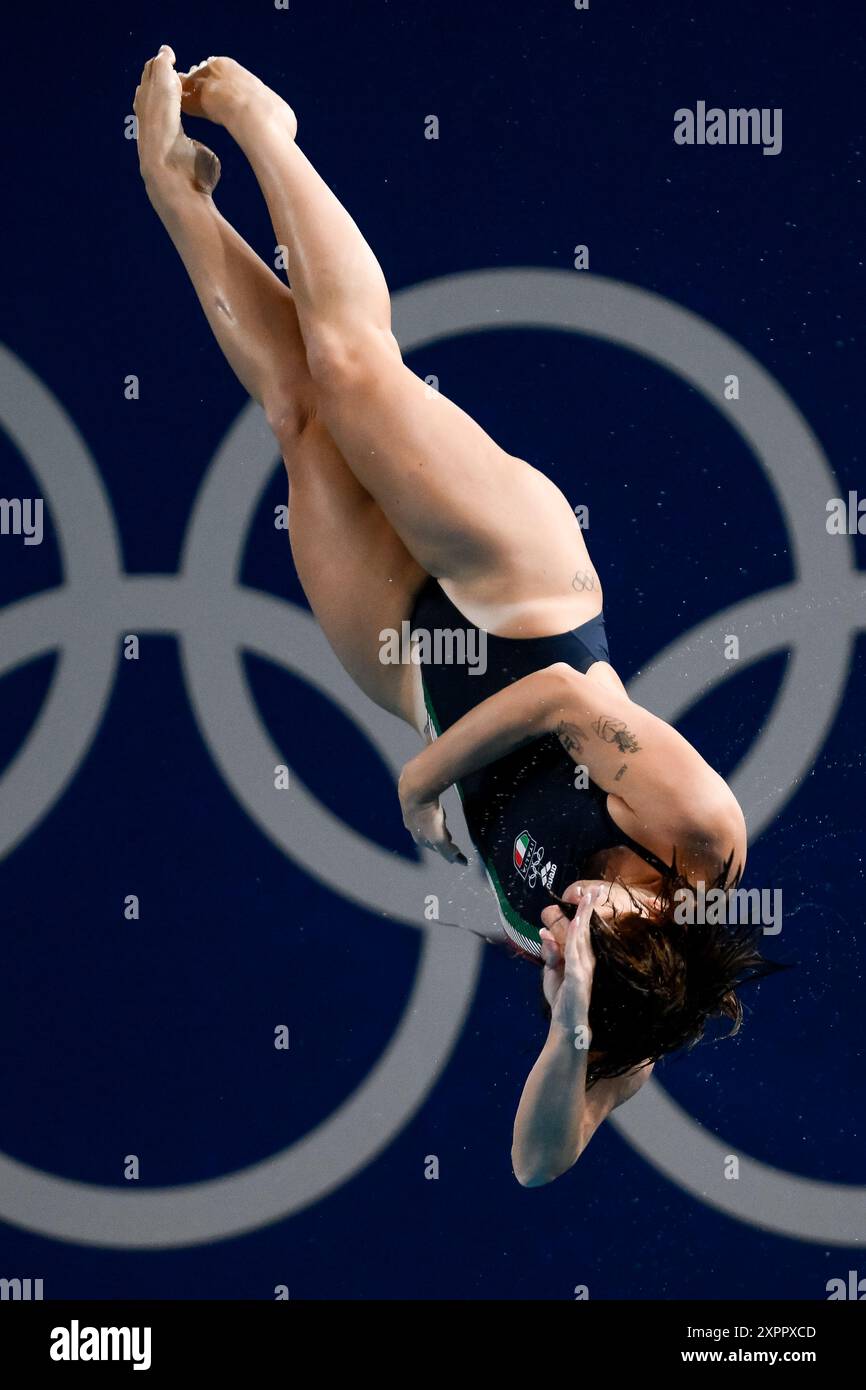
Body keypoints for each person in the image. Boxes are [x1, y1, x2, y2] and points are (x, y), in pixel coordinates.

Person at [135, 48, 778, 1186]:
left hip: (417, 672)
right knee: (348, 368)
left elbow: (538, 1164)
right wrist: (420, 783)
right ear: (662, 929)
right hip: (520, 598)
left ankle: (176, 196)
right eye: (602, 915)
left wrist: (572, 1026)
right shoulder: (698, 837)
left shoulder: (599, 998)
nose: (569, 912)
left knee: (292, 416)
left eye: (570, 933)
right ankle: (265, 124)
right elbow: (571, 700)